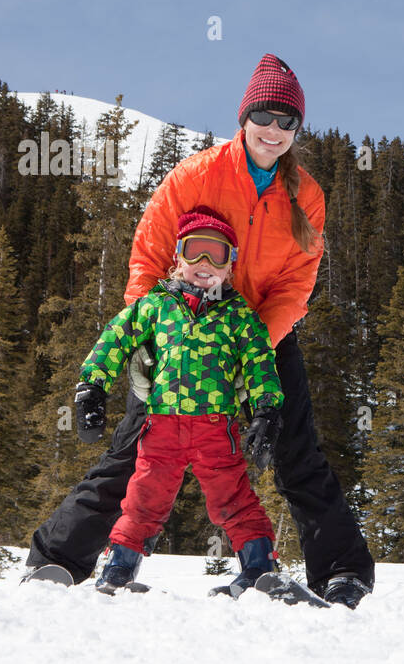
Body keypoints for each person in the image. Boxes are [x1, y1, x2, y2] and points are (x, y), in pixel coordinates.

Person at [25, 54, 375, 608]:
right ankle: (57, 561)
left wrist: (247, 348)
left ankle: (342, 571)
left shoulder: (305, 194)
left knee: (294, 448)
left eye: (289, 122)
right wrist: (150, 334)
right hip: (177, 330)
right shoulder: (197, 175)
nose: (275, 131)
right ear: (244, 116)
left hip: (260, 332)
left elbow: (296, 281)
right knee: (137, 450)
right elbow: (148, 254)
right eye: (265, 115)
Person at [74, 210, 283, 595]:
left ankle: (258, 566)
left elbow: (259, 362)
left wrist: (267, 409)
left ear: (229, 265)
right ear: (178, 259)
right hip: (162, 426)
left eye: (216, 255)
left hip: (216, 429)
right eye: (195, 252)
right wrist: (93, 386)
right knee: (143, 497)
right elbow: (114, 339)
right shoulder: (155, 305)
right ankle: (119, 567)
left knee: (232, 498)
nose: (205, 265)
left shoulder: (238, 315)